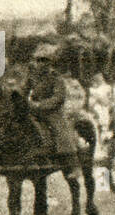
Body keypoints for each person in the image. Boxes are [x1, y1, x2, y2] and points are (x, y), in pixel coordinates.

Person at [26, 54, 82, 182]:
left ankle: (74, 164)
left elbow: (59, 97)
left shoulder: (55, 77)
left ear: (49, 63)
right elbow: (24, 90)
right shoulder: (32, 76)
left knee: (61, 131)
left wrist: (41, 105)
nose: (41, 63)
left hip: (52, 111)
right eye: (39, 60)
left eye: (44, 61)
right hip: (33, 110)